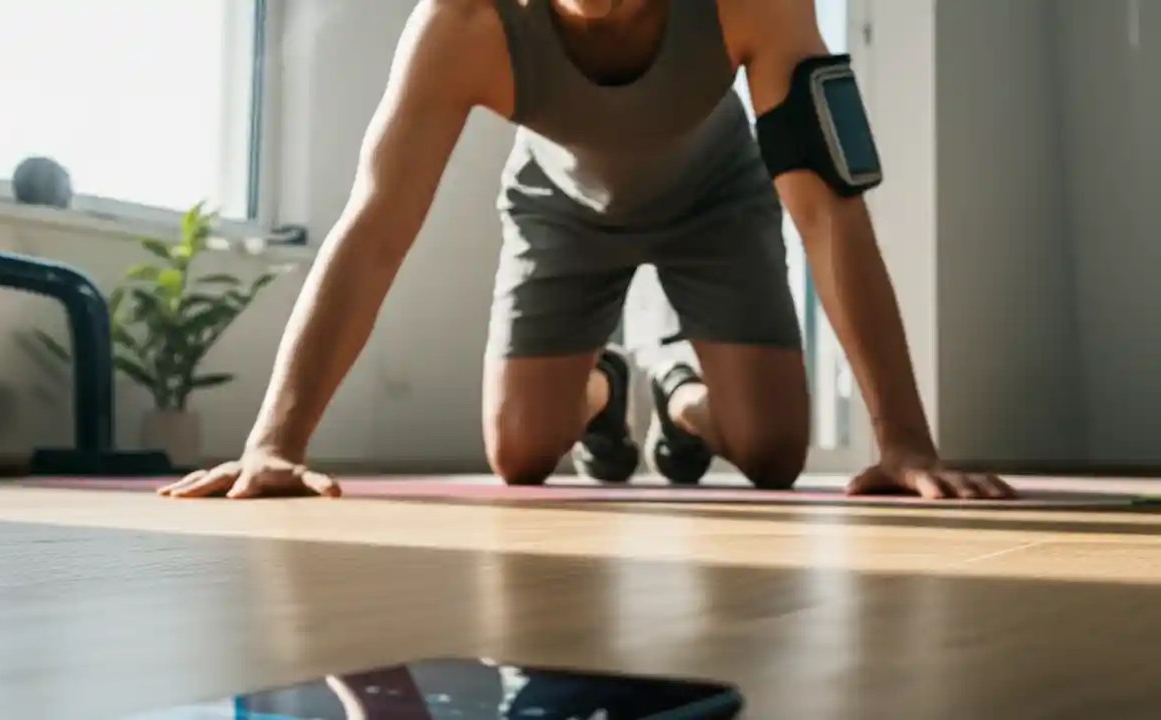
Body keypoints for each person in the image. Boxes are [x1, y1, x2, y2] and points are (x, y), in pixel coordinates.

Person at [160, 0, 1015, 501]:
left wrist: (904, 439)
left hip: (718, 195)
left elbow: (830, 213)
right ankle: (603, 393)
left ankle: (677, 388)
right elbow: (374, 227)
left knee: (773, 455)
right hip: (559, 210)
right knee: (521, 456)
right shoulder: (460, 24)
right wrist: (278, 440)